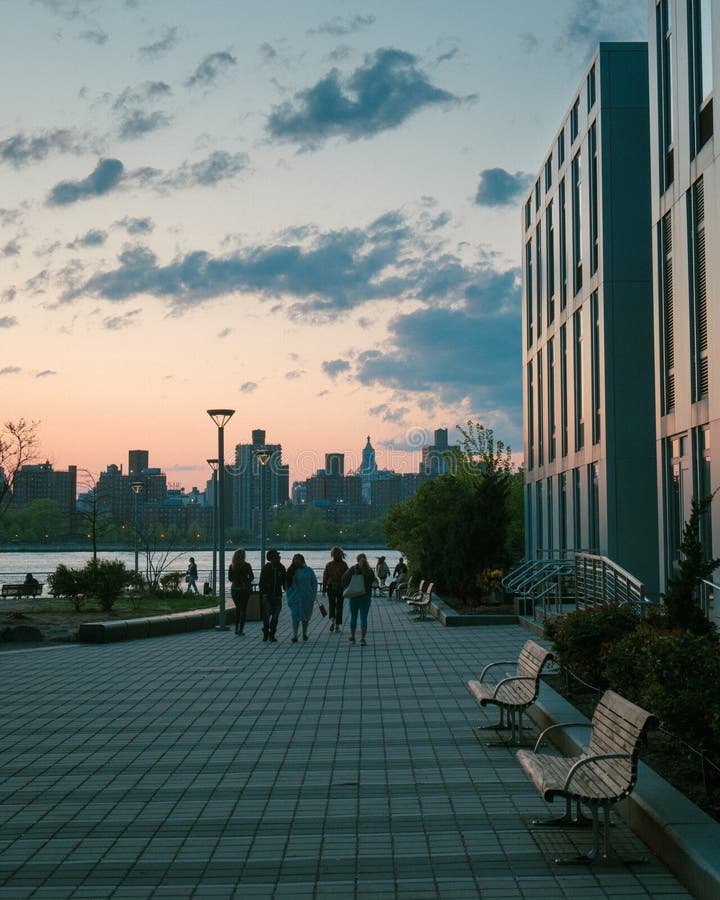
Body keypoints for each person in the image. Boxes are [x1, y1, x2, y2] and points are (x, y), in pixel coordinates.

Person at [342, 553, 375, 646]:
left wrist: (348, 586)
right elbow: (373, 580)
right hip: (366, 596)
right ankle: (362, 639)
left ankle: (352, 637)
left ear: (357, 560)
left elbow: (343, 579)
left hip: (354, 596)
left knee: (353, 617)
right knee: (363, 617)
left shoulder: (353, 569)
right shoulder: (369, 570)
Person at [285, 553, 318, 642]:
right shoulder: (290, 571)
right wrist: (289, 595)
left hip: (307, 597)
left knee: (306, 617)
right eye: (295, 559)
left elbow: (314, 583)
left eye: (298, 559)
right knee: (295, 617)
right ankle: (295, 635)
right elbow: (286, 585)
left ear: (302, 560)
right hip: (294, 597)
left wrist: (313, 595)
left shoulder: (308, 570)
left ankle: (304, 634)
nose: (297, 561)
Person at [258, 548, 286, 643]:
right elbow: (261, 583)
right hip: (267, 596)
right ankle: (265, 632)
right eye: (276, 557)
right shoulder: (266, 568)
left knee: (275, 617)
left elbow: (285, 582)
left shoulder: (282, 568)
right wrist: (263, 594)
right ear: (270, 559)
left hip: (278, 596)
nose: (278, 559)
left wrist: (289, 591)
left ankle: (272, 634)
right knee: (266, 616)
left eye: (278, 557)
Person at [322, 546, 348, 633]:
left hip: (331, 587)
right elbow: (347, 577)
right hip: (341, 587)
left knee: (331, 605)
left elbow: (325, 577)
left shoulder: (329, 565)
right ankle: (337, 626)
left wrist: (324, 589)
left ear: (332, 555)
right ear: (341, 554)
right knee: (339, 606)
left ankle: (332, 620)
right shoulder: (344, 565)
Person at [228, 548, 254, 636]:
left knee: (238, 609)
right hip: (244, 589)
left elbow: (230, 578)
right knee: (243, 609)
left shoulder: (232, 566)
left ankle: (236, 628)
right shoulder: (247, 565)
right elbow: (252, 577)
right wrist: (246, 580)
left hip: (234, 589)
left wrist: (236, 579)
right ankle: (241, 629)